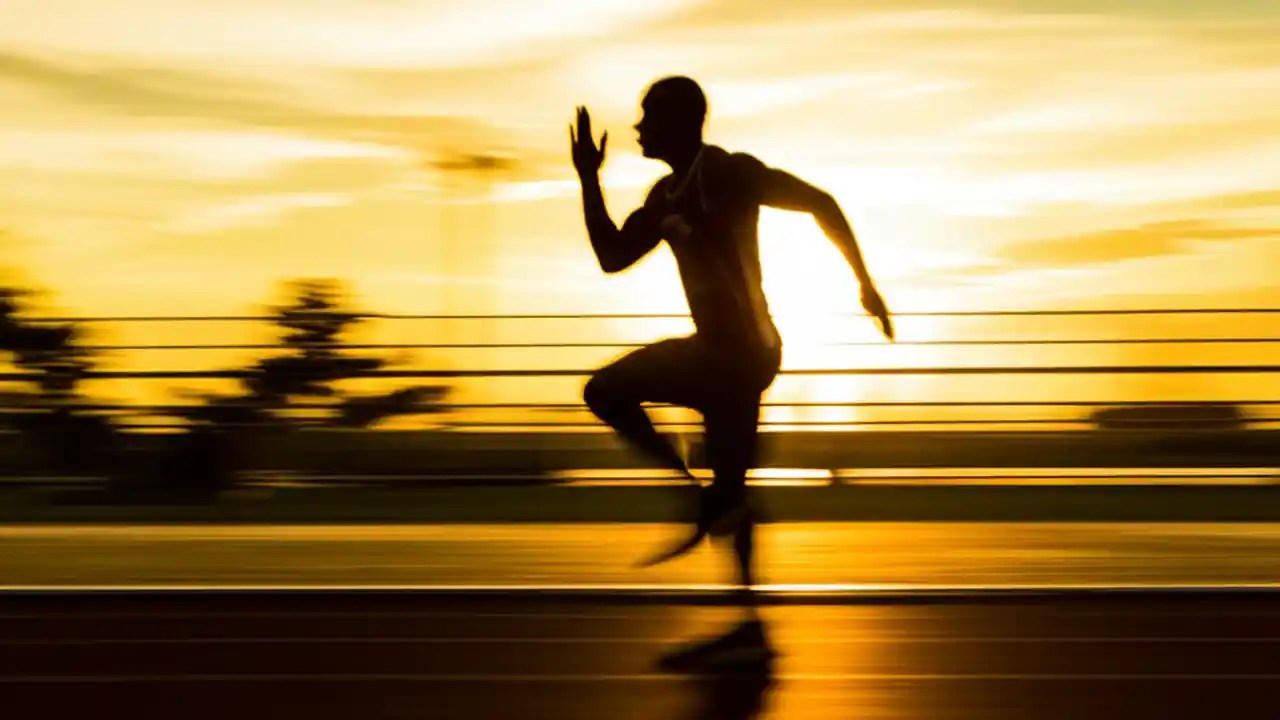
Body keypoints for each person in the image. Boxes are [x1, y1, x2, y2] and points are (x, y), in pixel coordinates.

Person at [571, 76, 893, 664]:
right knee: (718, 483)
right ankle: (743, 611)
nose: (637, 127)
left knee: (612, 394)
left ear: (681, 122)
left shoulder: (730, 173)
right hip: (716, 353)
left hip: (745, 353)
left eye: (648, 117)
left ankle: (707, 506)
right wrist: (589, 179)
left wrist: (865, 284)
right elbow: (612, 257)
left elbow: (820, 201)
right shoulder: (663, 195)